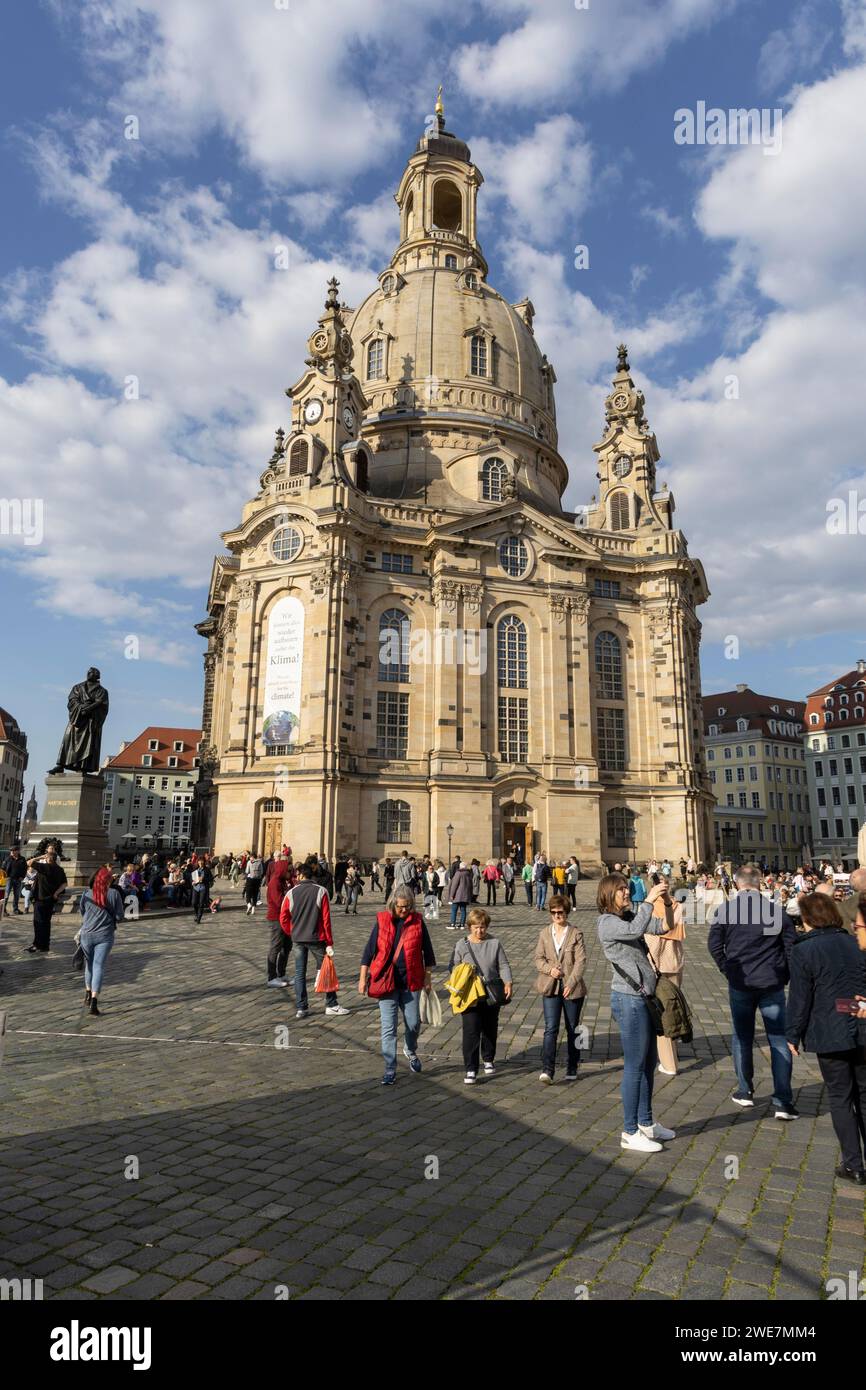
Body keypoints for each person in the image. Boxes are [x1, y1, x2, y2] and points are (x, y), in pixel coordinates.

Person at [708, 862, 798, 1119]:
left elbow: (714, 945)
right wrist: (785, 975)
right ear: (759, 884)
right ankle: (782, 1101)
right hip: (772, 983)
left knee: (742, 1037)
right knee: (779, 1039)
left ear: (737, 884)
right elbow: (791, 947)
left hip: (741, 984)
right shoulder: (775, 911)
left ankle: (745, 1091)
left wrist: (728, 970)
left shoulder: (726, 910)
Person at [786, 893, 866, 1183]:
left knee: (840, 1097)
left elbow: (800, 998)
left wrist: (792, 1033)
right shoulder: (854, 941)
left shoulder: (804, 950)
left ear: (808, 919)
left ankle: (854, 1164)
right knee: (864, 1095)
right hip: (859, 1023)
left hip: (830, 1030)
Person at [597, 872, 676, 1152]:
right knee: (634, 1066)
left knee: (649, 1062)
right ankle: (629, 1131)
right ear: (608, 895)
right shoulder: (606, 923)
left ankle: (646, 1122)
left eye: (627, 889)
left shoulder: (630, 917)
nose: (626, 893)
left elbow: (664, 927)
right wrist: (648, 900)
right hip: (628, 1001)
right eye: (621, 890)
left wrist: (665, 902)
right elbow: (634, 932)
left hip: (645, 998)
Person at [358, 888, 436, 1085]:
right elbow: (369, 951)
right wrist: (362, 978)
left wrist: (427, 978)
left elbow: (428, 951)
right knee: (388, 1027)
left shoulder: (417, 921)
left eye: (407, 907)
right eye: (401, 907)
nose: (404, 910)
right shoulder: (382, 920)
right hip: (386, 982)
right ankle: (390, 1068)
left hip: (410, 982)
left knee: (413, 1023)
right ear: (393, 904)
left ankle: (410, 1049)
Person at [449, 907, 512, 1084]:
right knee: (471, 1030)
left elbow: (504, 965)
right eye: (476, 927)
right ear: (470, 926)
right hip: (469, 994)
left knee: (490, 1028)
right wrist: (462, 972)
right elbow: (453, 967)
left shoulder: (495, 943)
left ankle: (488, 1058)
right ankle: (470, 1068)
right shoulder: (462, 945)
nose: (479, 930)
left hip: (491, 991)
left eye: (483, 927)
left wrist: (508, 982)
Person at [280, 859, 348, 1019]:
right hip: (316, 938)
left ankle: (301, 1007)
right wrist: (329, 942)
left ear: (302, 875)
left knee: (299, 973)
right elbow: (326, 920)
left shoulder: (291, 893)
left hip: (298, 938)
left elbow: (283, 917)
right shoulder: (321, 891)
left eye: (297, 874)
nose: (295, 877)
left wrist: (292, 932)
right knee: (327, 969)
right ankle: (331, 1004)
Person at [535, 894, 586, 1084]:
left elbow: (581, 961)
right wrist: (550, 970)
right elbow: (538, 959)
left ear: (566, 912)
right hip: (550, 986)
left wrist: (571, 983)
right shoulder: (544, 934)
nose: (557, 916)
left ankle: (572, 1065)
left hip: (572, 988)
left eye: (561, 912)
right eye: (554, 912)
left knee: (573, 1028)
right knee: (550, 1029)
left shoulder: (576, 933)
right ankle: (547, 1070)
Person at [645, 876, 686, 1077]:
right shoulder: (676, 906)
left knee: (662, 1015)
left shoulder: (651, 907)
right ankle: (671, 1055)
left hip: (657, 967)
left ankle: (669, 1064)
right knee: (671, 1010)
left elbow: (655, 939)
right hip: (673, 965)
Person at [78, 866, 125, 1016]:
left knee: (89, 965)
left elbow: (82, 912)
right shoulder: (114, 894)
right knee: (98, 966)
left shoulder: (86, 893)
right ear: (108, 880)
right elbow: (119, 916)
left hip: (86, 934)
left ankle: (87, 992)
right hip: (104, 935)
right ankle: (94, 1001)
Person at [28, 847, 68, 954]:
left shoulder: (45, 867)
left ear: (48, 859)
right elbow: (64, 884)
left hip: (41, 899)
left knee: (38, 922)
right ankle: (45, 945)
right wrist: (56, 893)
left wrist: (40, 857)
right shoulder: (60, 869)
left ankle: (38, 944)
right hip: (51, 899)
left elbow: (29, 862)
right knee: (46, 923)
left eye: (46, 857)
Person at [266, 853, 293, 987]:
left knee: (287, 946)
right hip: (276, 918)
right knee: (275, 946)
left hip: (285, 918)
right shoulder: (274, 882)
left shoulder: (283, 881)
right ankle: (272, 977)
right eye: (288, 871)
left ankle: (281, 973)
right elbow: (279, 902)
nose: (290, 873)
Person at [447, 860, 473, 931]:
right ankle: (462, 925)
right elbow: (471, 886)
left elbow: (454, 885)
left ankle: (452, 924)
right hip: (465, 896)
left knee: (454, 910)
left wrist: (451, 895)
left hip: (457, 896)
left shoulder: (458, 873)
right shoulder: (468, 874)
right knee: (463, 910)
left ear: (460, 867)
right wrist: (470, 895)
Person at [2, 847, 26, 916]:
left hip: (18, 879)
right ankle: (3, 910)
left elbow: (25, 869)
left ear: (18, 851)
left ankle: (15, 909)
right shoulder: (8, 859)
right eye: (11, 851)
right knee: (6, 895)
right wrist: (5, 877)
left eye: (13, 850)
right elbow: (3, 868)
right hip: (9, 879)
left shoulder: (22, 859)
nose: (12, 852)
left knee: (16, 895)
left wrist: (22, 877)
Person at [191, 857, 213, 924]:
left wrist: (203, 879)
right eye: (199, 861)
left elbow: (210, 878)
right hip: (196, 887)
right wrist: (192, 882)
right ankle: (196, 914)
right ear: (197, 862)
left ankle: (199, 918)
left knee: (201, 903)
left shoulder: (207, 870)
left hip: (203, 888)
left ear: (204, 861)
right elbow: (192, 877)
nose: (200, 862)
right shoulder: (195, 869)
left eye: (202, 861)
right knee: (194, 903)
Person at [244, 850, 264, 916]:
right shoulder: (260, 862)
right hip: (257, 880)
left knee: (248, 894)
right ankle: (253, 910)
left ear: (252, 857)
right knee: (255, 895)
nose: (249, 858)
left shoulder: (249, 862)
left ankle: (249, 904)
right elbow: (261, 872)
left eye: (250, 857)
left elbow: (247, 871)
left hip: (250, 880)